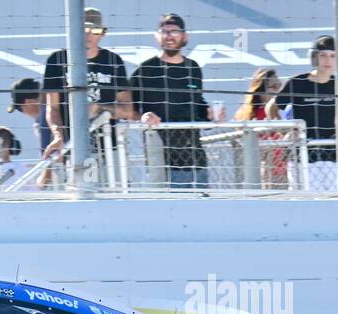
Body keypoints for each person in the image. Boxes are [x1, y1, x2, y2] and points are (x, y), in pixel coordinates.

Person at [41, 8, 134, 173]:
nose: (89, 34)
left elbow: (127, 110)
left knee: (114, 197)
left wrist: (100, 109)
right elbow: (52, 108)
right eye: (83, 29)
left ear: (103, 33)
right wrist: (58, 136)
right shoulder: (57, 60)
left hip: (108, 148)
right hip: (70, 147)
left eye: (95, 30)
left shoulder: (113, 61)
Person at [132, 13, 213, 189]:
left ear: (185, 36)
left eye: (175, 31)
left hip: (196, 159)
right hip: (162, 160)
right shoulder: (145, 70)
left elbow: (198, 106)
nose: (169, 36)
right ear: (157, 36)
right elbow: (127, 108)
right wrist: (143, 116)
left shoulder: (193, 68)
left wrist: (210, 116)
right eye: (165, 31)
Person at [269, 36, 338, 190]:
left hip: (329, 152)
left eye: (332, 56)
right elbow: (272, 106)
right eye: (323, 55)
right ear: (314, 58)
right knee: (303, 198)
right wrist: (284, 129)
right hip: (301, 154)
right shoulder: (297, 83)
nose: (328, 60)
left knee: (333, 198)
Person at [235, 67, 287, 188]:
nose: (279, 90)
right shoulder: (255, 117)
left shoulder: (285, 110)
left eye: (280, 86)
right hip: (270, 175)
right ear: (261, 92)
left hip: (289, 169)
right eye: (274, 87)